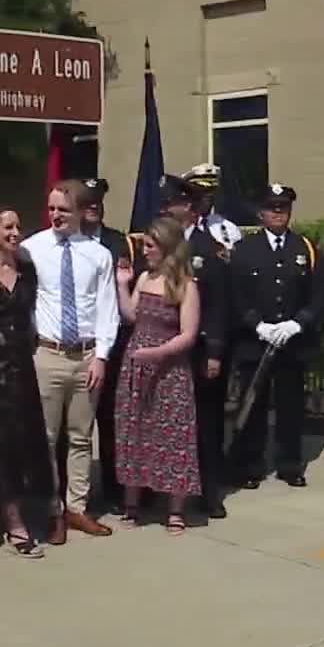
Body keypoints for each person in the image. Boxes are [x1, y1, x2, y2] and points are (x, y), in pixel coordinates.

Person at [21, 179, 119, 544]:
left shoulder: (98, 254)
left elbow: (108, 309)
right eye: (52, 209)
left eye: (64, 209)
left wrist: (102, 357)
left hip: (87, 357)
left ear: (81, 211)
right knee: (45, 439)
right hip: (47, 354)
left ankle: (77, 507)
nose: (56, 215)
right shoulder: (31, 249)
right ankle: (51, 511)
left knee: (80, 438)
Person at [0, 205, 56, 557]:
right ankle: (12, 521)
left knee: (22, 442)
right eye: (8, 227)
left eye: (19, 226)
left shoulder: (27, 270)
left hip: (21, 366)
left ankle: (25, 509)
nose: (16, 233)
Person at [227, 183, 324, 489]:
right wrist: (256, 324)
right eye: (273, 208)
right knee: (253, 406)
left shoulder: (305, 249)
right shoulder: (245, 250)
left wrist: (298, 324)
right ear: (261, 213)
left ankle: (290, 464)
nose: (278, 213)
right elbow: (236, 295)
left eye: (283, 208)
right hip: (254, 341)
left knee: (291, 407)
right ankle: (250, 465)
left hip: (291, 343)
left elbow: (319, 293)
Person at [112, 217, 202, 535]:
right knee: (134, 430)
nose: (145, 251)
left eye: (150, 246)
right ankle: (132, 503)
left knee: (173, 435)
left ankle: (175, 509)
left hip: (170, 370)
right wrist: (123, 285)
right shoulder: (144, 278)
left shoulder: (185, 285)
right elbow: (131, 315)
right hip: (136, 363)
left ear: (166, 246)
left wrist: (156, 353)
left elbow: (187, 334)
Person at [157, 177, 232, 518]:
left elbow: (219, 306)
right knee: (163, 420)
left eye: (171, 202)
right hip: (164, 346)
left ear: (187, 207)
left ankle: (209, 491)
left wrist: (215, 350)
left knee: (206, 422)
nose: (165, 208)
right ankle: (158, 488)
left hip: (200, 348)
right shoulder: (158, 246)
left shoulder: (210, 248)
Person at [73, 176, 135, 514]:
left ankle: (113, 486)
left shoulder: (118, 242)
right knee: (74, 426)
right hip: (76, 343)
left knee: (112, 420)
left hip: (111, 344)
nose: (94, 206)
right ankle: (70, 493)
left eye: (98, 201)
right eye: (88, 201)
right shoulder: (67, 241)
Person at [180, 163, 242, 253]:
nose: (209, 195)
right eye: (203, 190)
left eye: (212, 190)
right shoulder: (177, 227)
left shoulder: (228, 228)